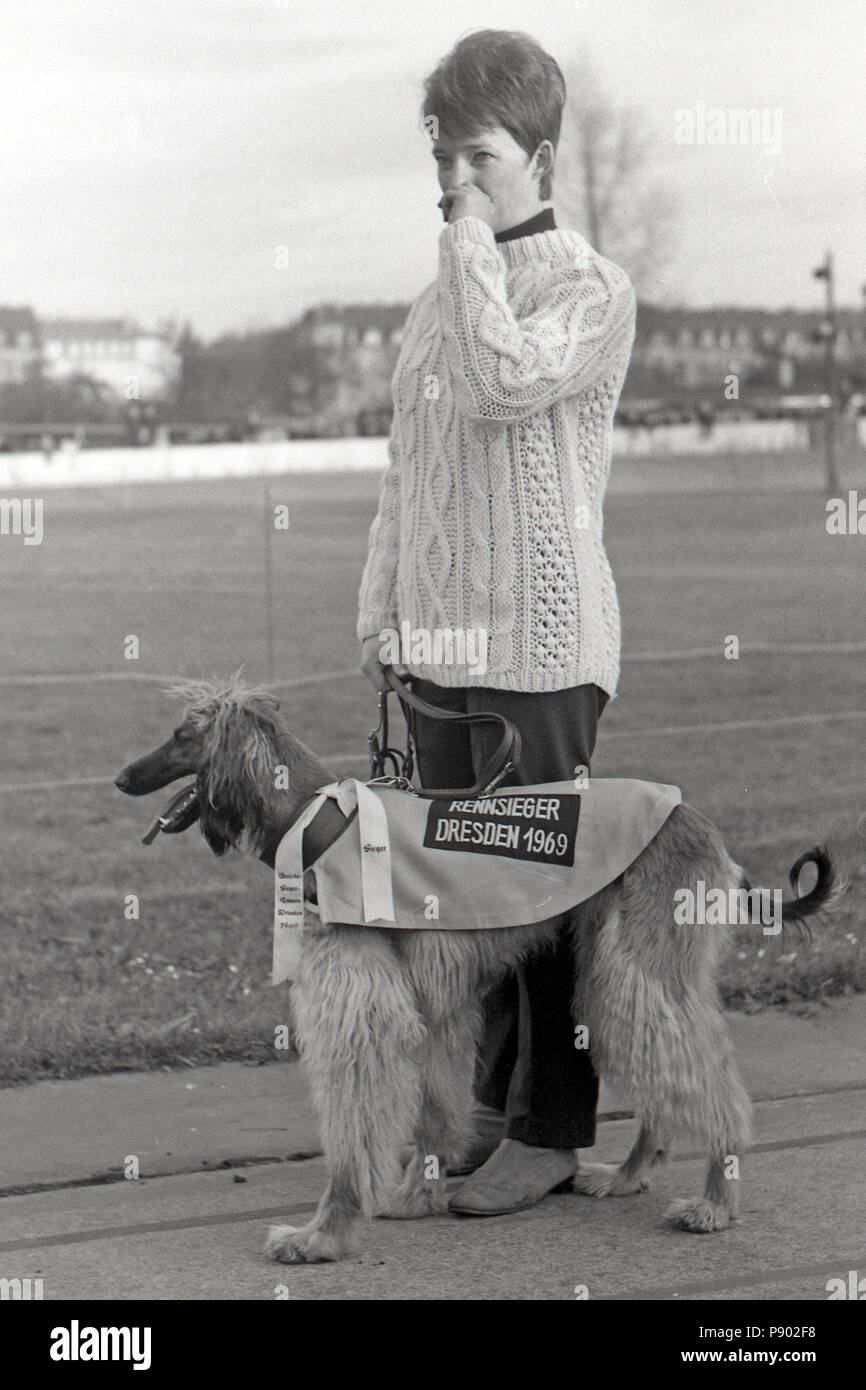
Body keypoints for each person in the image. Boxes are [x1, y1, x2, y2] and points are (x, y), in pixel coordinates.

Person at [357, 29, 636, 1215]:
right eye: (438, 154)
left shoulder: (589, 287)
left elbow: (504, 380)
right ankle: (483, 1113)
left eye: (473, 156)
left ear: (536, 153)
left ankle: (550, 1129)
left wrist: (468, 244)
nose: (448, 179)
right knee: (466, 903)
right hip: (440, 651)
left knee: (541, 897)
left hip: (539, 644)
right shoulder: (436, 302)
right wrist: (382, 614)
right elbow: (404, 472)